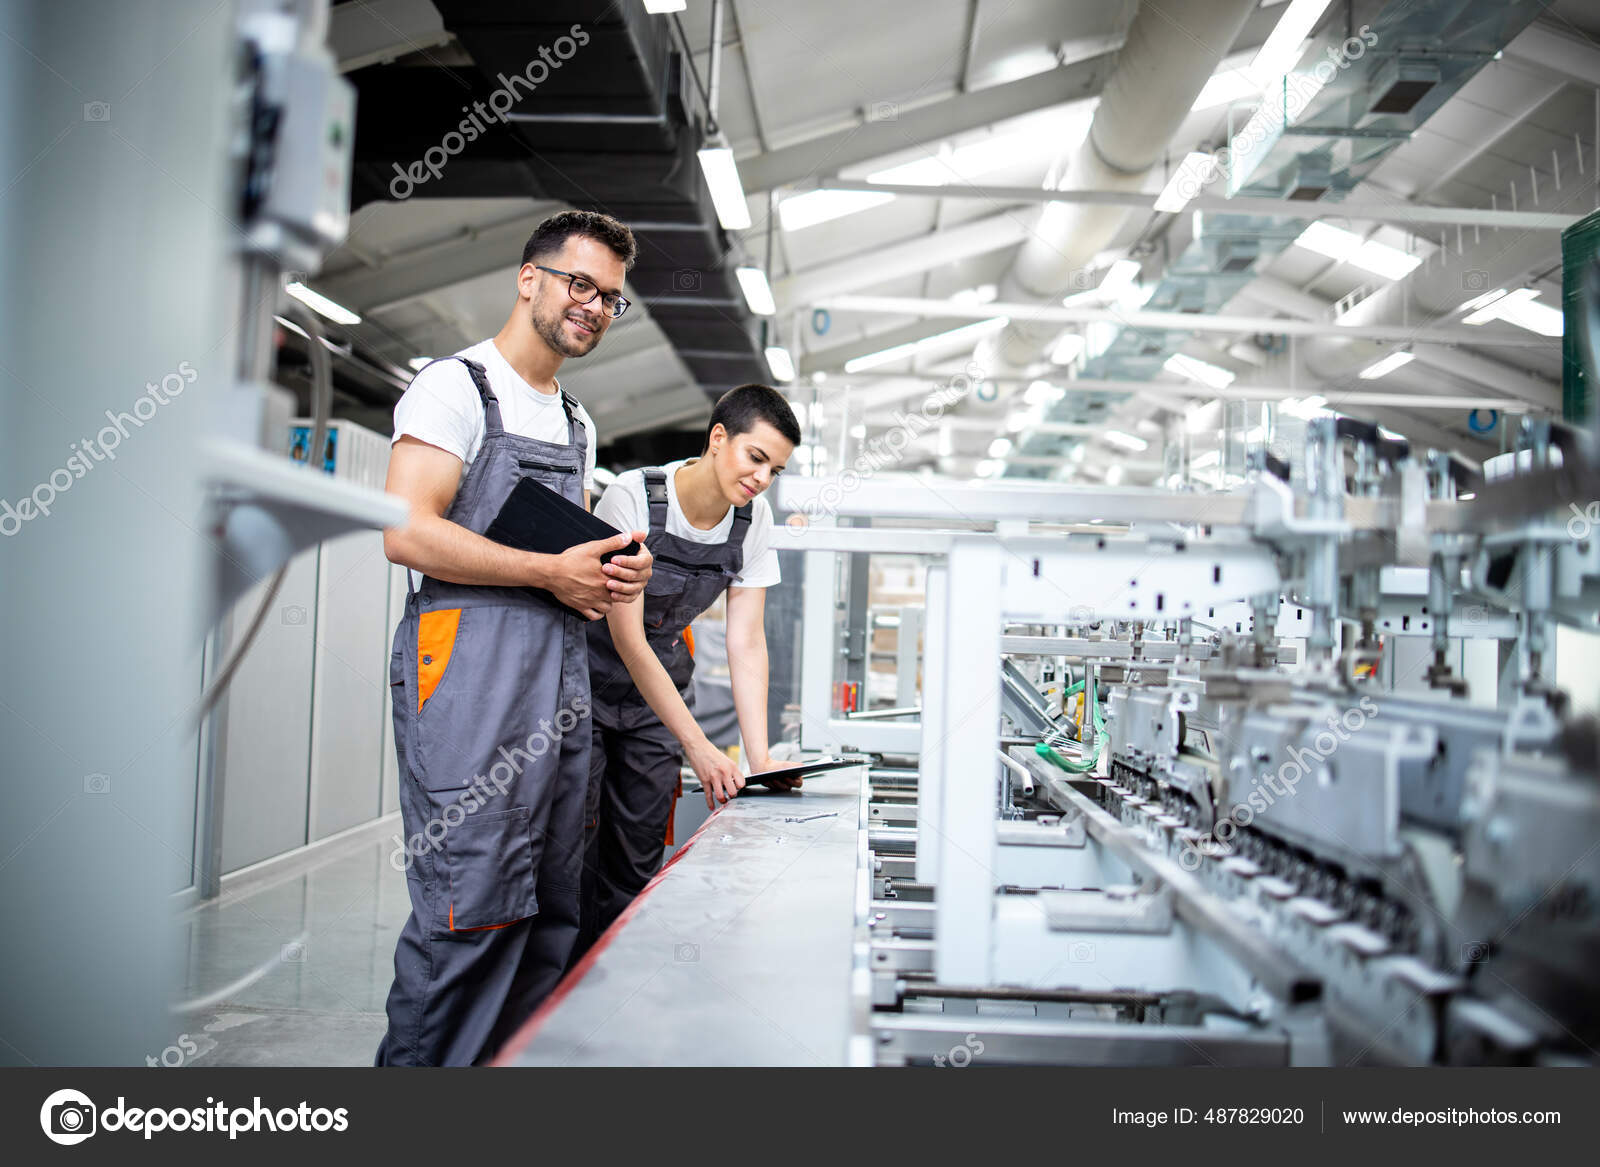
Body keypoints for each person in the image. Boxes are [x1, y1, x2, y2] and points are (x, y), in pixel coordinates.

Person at [375, 210, 654, 1066]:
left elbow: (564, 562)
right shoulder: (455, 387)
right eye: (581, 284)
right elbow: (405, 530)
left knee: (547, 916)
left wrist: (610, 578)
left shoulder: (577, 422)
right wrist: (546, 573)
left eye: (610, 298)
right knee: (468, 913)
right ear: (527, 277)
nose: (595, 307)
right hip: (469, 684)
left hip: (555, 693)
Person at [576, 384, 801, 954]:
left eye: (775, 470)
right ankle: (548, 1014)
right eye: (756, 458)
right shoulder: (636, 497)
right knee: (569, 858)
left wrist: (759, 758)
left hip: (658, 702)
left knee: (637, 857)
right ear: (718, 438)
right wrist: (699, 747)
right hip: (582, 692)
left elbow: (746, 643)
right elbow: (627, 639)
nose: (761, 479)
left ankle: (610, 993)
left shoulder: (753, 522)